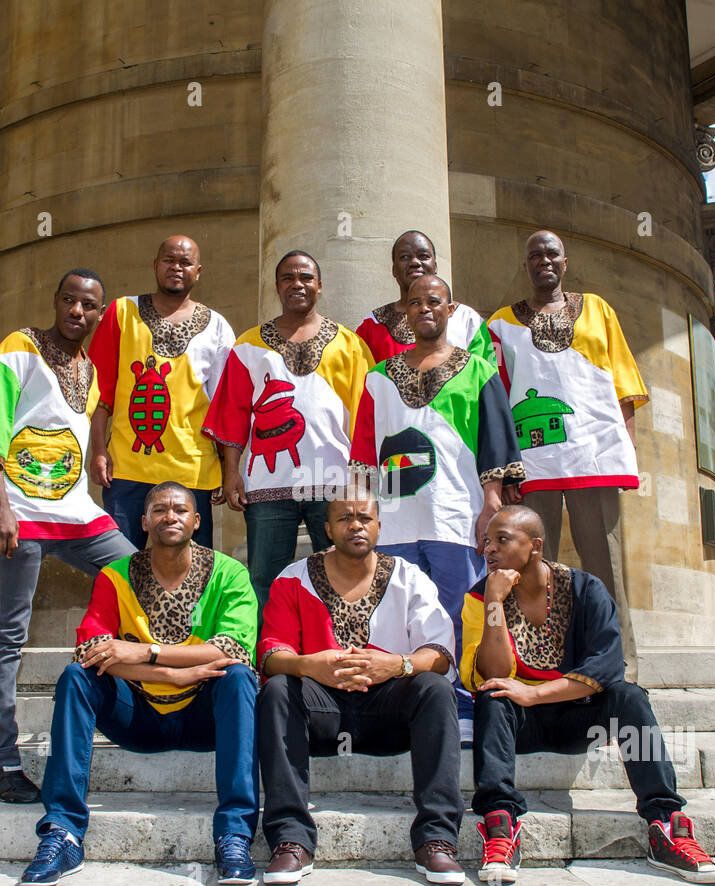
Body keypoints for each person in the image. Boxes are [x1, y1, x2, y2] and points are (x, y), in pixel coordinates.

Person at [462, 506, 715, 885]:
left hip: (579, 718)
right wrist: (493, 604)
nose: (490, 549)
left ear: (536, 545)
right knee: (493, 697)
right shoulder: (479, 597)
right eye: (487, 540)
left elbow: (607, 667)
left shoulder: (585, 589)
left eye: (502, 539)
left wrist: (536, 695)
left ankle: (666, 823)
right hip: (520, 726)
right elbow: (495, 673)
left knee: (629, 697)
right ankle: (499, 826)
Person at [19, 481, 260, 886]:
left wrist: (144, 653)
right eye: (161, 510)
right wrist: (173, 673)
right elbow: (91, 653)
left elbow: (232, 649)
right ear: (144, 521)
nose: (171, 517)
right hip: (139, 717)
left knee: (237, 677)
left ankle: (234, 833)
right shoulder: (115, 576)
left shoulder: (229, 573)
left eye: (181, 510)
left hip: (205, 718)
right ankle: (62, 832)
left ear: (196, 521)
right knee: (76, 677)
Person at [0, 269, 134, 804]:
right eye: (70, 300)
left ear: (100, 314)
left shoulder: (93, 369)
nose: (78, 311)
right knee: (8, 632)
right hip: (19, 511)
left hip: (76, 511)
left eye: (89, 305)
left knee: (139, 576)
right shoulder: (18, 348)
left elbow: (89, 428)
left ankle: (146, 713)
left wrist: (101, 461)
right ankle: (0, 763)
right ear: (55, 301)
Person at [257, 487, 464, 885]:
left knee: (435, 689)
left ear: (379, 526)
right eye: (344, 518)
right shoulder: (294, 578)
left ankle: (436, 839)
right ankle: (290, 839)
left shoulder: (408, 576)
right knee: (279, 688)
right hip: (323, 715)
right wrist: (309, 665)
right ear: (327, 528)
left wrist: (397, 664)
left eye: (364, 518)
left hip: (389, 714)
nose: (355, 525)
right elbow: (269, 656)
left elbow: (440, 653)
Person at [350, 274, 524, 741]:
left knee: (455, 609)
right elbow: (365, 453)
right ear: (404, 313)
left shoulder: (477, 370)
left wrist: (490, 504)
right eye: (415, 302)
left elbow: (494, 443)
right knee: (396, 610)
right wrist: (363, 510)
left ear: (450, 310)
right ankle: (401, 706)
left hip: (455, 512)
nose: (425, 308)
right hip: (394, 519)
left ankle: (463, 706)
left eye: (434, 301)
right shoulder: (378, 378)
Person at [487, 230, 647, 680]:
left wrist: (624, 448)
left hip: (594, 455)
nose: (544, 260)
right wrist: (503, 470)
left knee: (606, 564)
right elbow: (496, 397)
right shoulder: (501, 323)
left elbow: (624, 383)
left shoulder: (597, 309)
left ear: (565, 261)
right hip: (531, 462)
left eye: (551, 253)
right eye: (534, 254)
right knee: (533, 565)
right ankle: (539, 663)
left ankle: (620, 665)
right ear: (526, 265)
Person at [202, 250, 371, 614]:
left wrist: (362, 480)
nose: (298, 284)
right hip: (267, 482)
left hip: (332, 480)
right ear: (276, 285)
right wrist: (231, 473)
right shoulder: (248, 345)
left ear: (320, 286)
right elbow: (232, 415)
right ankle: (269, 660)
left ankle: (334, 656)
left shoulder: (349, 344)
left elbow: (364, 418)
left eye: (306, 277)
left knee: (339, 573)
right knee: (265, 577)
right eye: (288, 278)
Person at [87, 235, 235, 549]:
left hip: (192, 470)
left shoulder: (217, 327)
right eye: (169, 260)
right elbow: (99, 392)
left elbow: (222, 405)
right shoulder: (121, 312)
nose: (176, 268)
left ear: (198, 271)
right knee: (124, 566)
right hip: (127, 467)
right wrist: (98, 449)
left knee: (191, 571)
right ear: (156, 266)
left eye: (185, 263)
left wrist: (225, 466)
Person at [355, 230, 493, 365]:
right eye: (404, 257)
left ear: (435, 266)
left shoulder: (468, 319)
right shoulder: (371, 325)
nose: (414, 262)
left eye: (423, 256)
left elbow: (487, 378)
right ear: (394, 270)